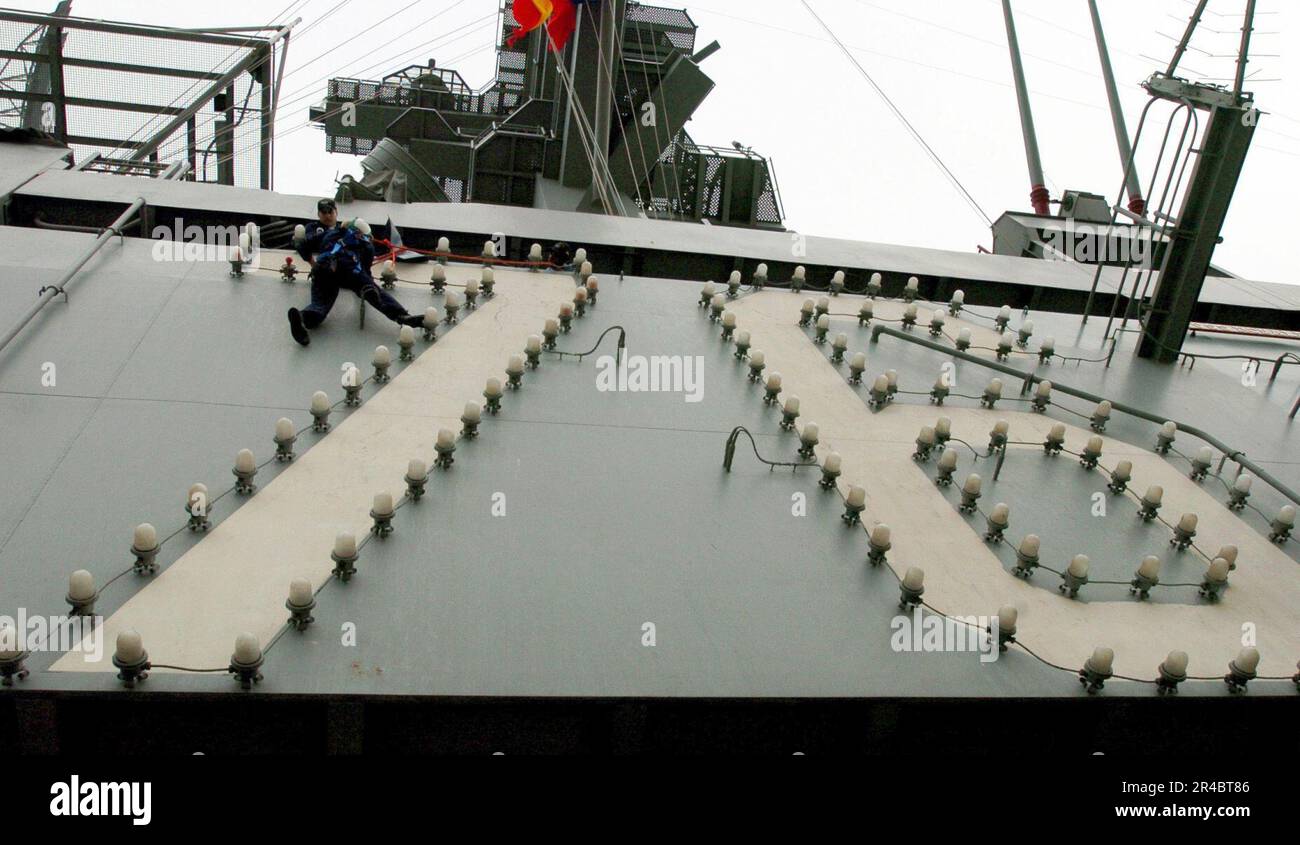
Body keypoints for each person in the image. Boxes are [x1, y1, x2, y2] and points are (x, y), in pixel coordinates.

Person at [287, 198, 423, 346]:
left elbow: (302, 245)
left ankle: (301, 317)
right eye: (324, 212)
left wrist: (313, 264)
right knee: (373, 291)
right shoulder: (362, 242)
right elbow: (366, 263)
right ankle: (402, 317)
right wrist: (366, 281)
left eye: (330, 212)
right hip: (348, 270)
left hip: (323, 269)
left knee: (320, 305)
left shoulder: (329, 234)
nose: (327, 215)